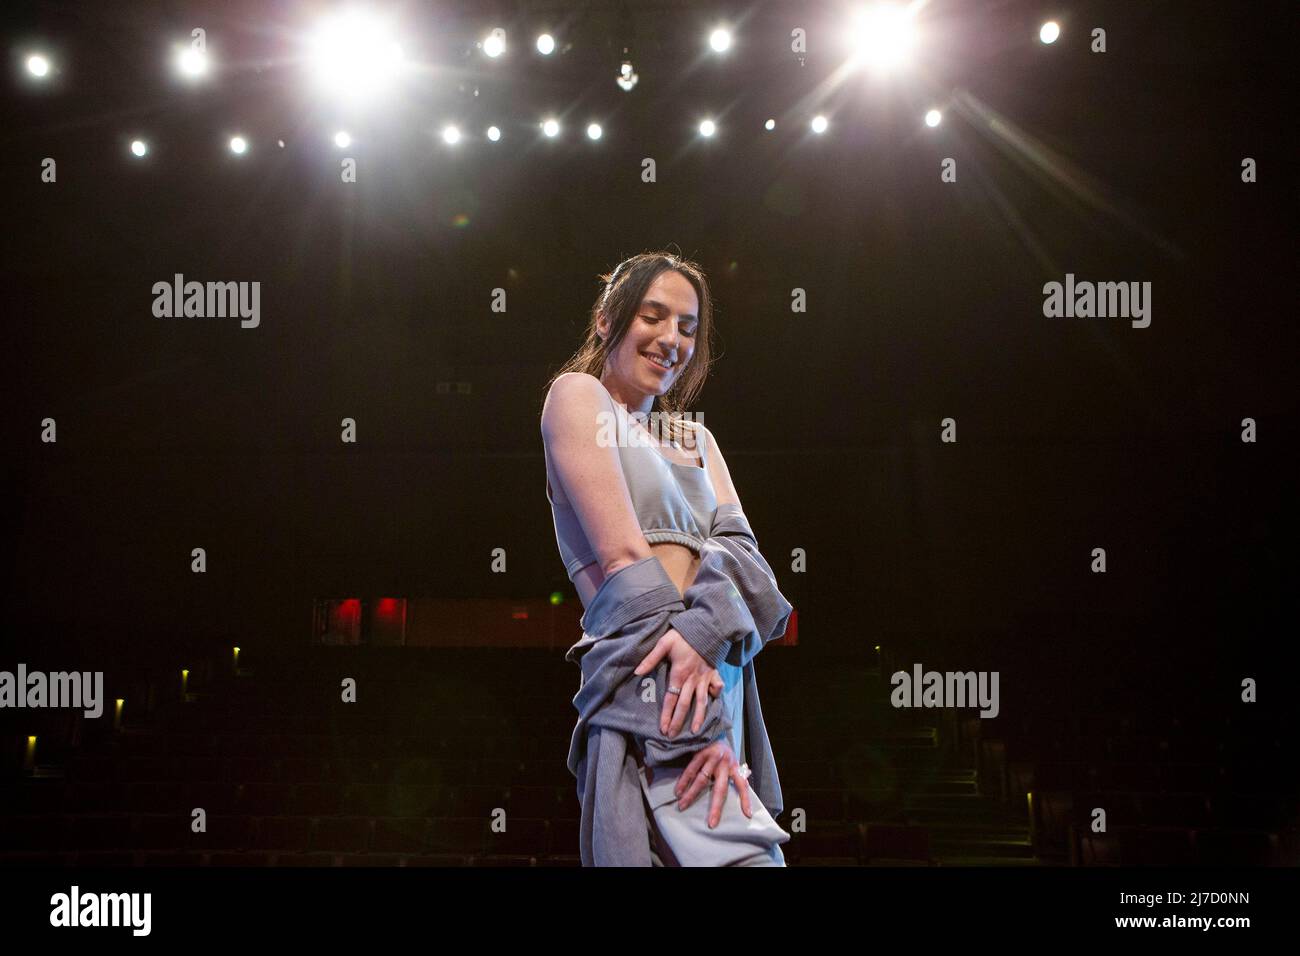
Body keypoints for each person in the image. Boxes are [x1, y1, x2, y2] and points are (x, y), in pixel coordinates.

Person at [540, 251, 791, 865]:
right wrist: (697, 721)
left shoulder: (696, 438)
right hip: (653, 685)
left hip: (715, 677)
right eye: (653, 316)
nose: (671, 338)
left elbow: (752, 569)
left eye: (687, 326)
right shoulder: (578, 398)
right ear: (607, 320)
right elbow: (627, 559)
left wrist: (704, 639)